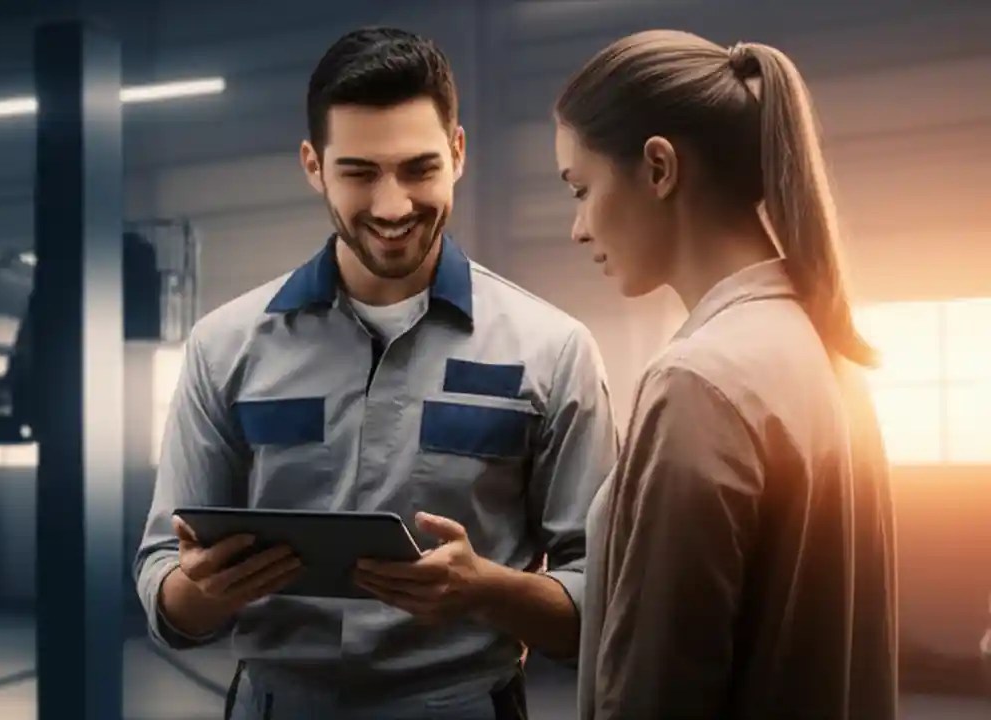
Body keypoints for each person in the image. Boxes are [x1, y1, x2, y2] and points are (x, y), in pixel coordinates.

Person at [135, 26, 618, 719]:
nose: (393, 207)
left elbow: (599, 602)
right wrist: (202, 590)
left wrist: (485, 589)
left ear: (457, 153)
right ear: (313, 165)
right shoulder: (223, 348)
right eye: (359, 172)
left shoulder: (555, 350)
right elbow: (164, 586)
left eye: (419, 168)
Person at [552, 29, 899, 719]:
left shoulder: (699, 383)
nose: (578, 228)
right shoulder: (823, 346)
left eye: (581, 188)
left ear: (658, 169)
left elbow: (656, 693)